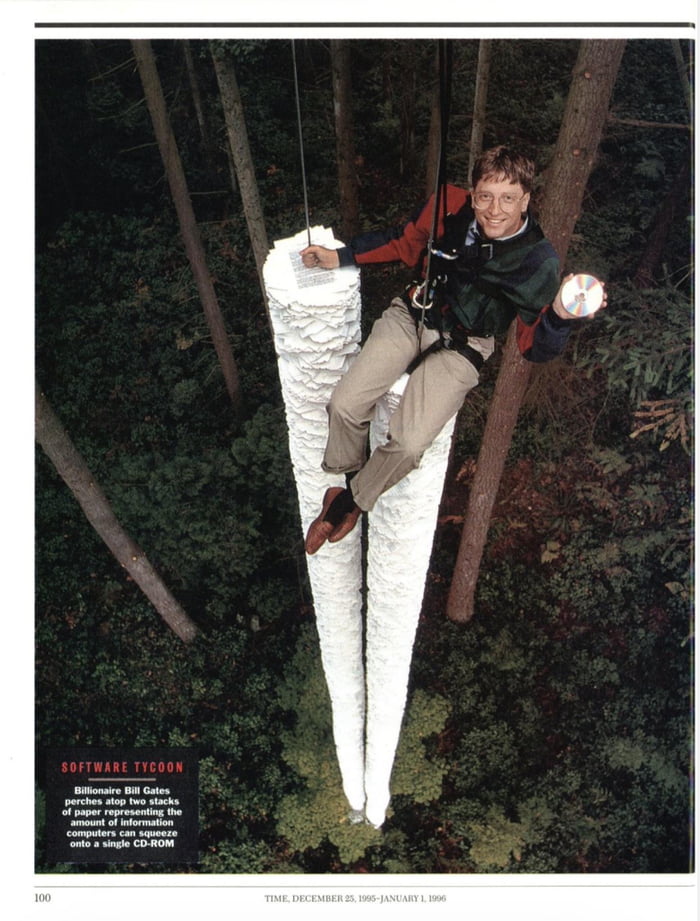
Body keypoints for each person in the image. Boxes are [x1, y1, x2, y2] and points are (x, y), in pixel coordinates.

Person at [300, 145, 605, 555]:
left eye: (509, 198)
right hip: (415, 311)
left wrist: (561, 317)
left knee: (409, 443)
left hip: (464, 345)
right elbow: (404, 242)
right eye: (486, 196)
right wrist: (340, 257)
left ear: (526, 200)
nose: (495, 210)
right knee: (344, 404)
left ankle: (351, 502)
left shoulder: (537, 261)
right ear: (473, 192)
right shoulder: (448, 205)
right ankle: (344, 476)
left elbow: (533, 346)